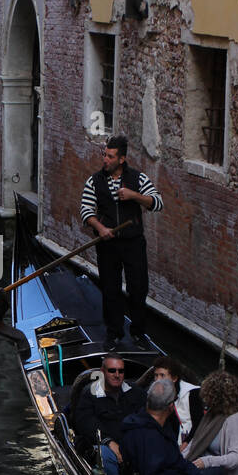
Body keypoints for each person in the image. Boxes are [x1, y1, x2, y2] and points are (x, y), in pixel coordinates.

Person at [80, 134, 163, 349]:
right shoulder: (94, 181)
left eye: (110, 156)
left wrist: (134, 195)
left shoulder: (138, 179)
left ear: (121, 159)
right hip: (107, 244)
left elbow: (157, 203)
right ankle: (114, 333)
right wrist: (101, 229)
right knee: (110, 289)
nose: (105, 160)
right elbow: (86, 210)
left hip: (134, 242)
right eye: (104, 155)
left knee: (138, 288)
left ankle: (138, 333)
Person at [119, 378, 230, 475]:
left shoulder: (156, 424)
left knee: (216, 472)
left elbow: (176, 461)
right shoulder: (149, 438)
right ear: (171, 406)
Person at [68, 357, 145, 475]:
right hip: (106, 448)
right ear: (103, 372)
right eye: (112, 371)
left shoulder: (135, 392)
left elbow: (145, 417)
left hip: (133, 444)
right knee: (103, 453)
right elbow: (86, 424)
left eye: (120, 371)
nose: (117, 375)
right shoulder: (89, 394)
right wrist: (109, 442)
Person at [183, 371, 238, 475]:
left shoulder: (235, 420)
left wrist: (207, 462)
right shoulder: (211, 415)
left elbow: (236, 458)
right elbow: (196, 442)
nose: (205, 402)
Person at [152, 356, 202, 445]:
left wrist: (186, 443)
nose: (158, 380)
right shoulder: (154, 394)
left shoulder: (192, 393)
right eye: (156, 375)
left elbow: (199, 424)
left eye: (162, 375)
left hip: (190, 444)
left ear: (174, 378)